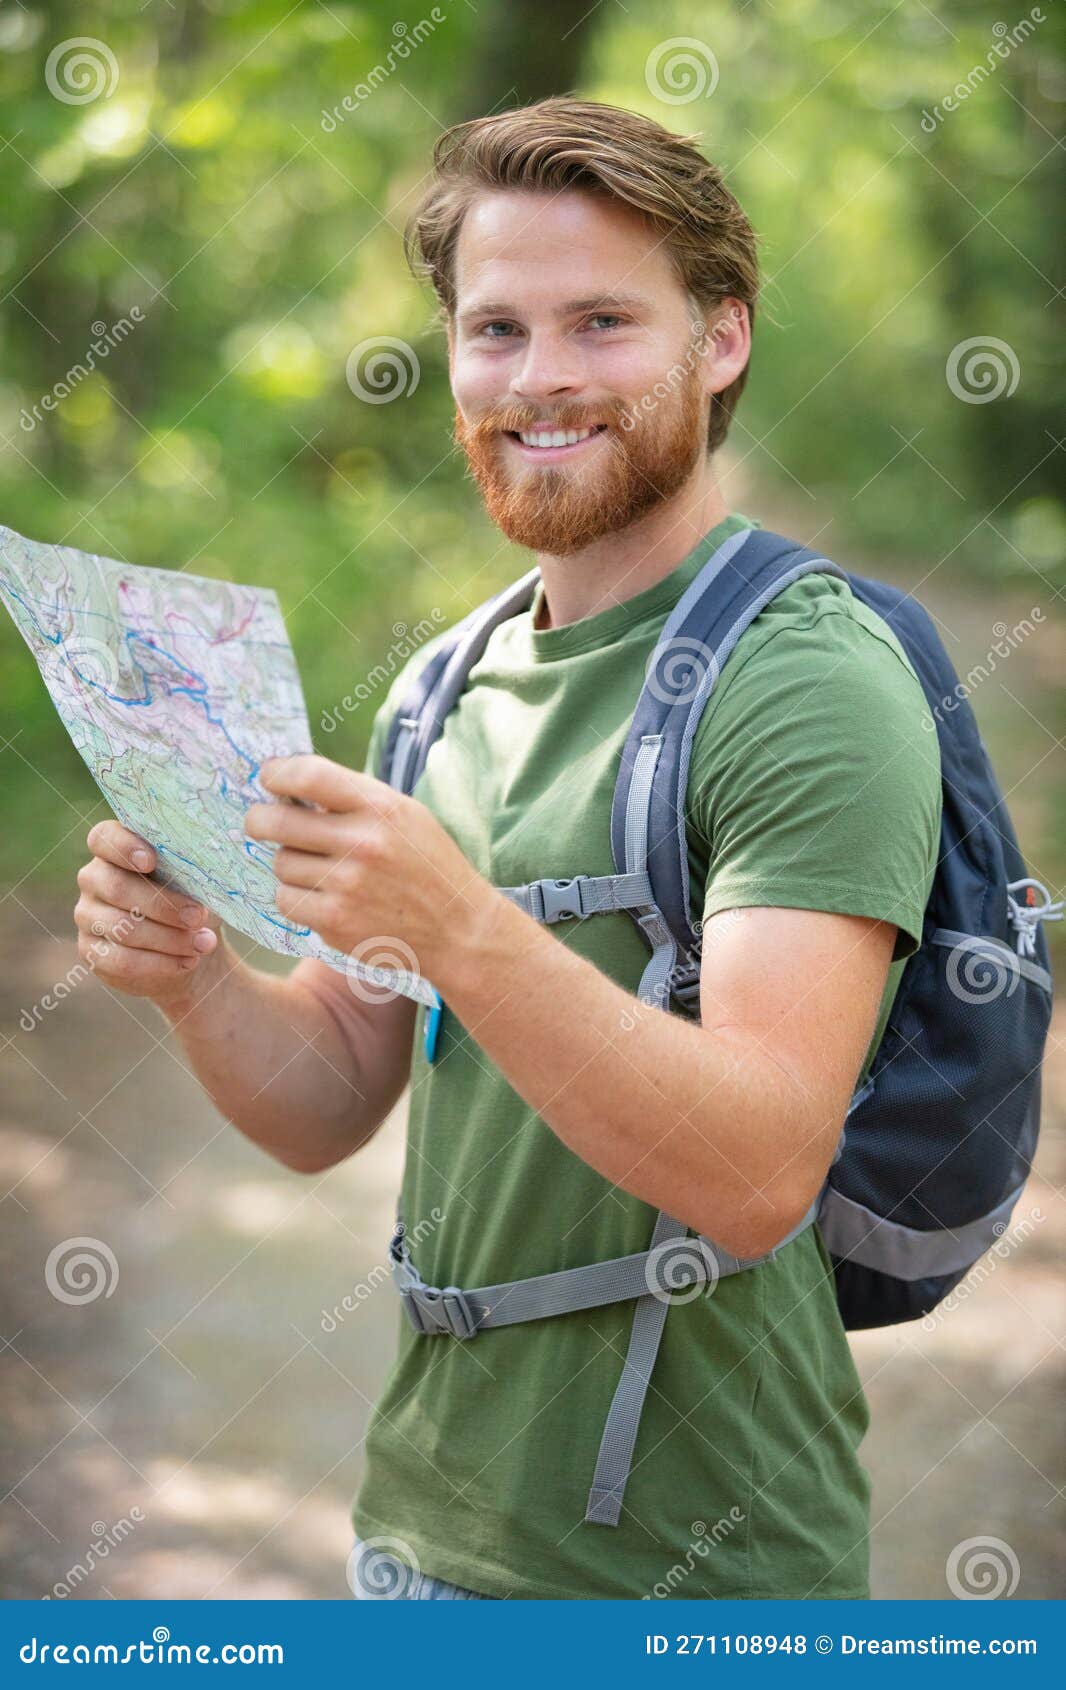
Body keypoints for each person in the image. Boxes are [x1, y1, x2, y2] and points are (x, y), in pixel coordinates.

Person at [72, 97, 941, 1600]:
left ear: (717, 339)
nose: (539, 378)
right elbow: (335, 1090)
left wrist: (464, 927)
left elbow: (751, 1172)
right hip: (417, 1544)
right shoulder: (441, 688)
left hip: (690, 1580)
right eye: (495, 330)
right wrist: (197, 979)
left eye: (602, 322)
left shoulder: (807, 683)